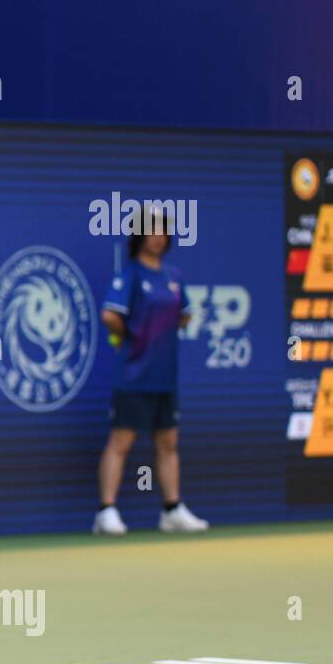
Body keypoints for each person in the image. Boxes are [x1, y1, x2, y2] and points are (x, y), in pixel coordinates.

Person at [95, 208, 210, 534]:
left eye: (163, 231)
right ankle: (106, 512)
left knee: (168, 442)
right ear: (140, 236)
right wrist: (135, 334)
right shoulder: (130, 275)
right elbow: (110, 315)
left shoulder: (173, 276)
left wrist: (161, 328)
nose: (158, 236)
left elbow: (185, 314)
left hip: (165, 375)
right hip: (133, 373)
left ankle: (171, 509)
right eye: (152, 230)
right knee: (121, 441)